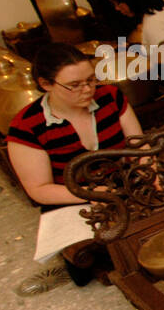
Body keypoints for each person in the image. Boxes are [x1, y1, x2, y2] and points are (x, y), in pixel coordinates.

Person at [7, 43, 143, 208]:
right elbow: (39, 189)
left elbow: (140, 148)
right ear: (46, 84)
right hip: (75, 203)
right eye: (75, 85)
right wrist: (93, 194)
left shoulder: (110, 97)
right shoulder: (26, 126)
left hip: (128, 187)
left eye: (91, 80)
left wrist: (151, 174)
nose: (87, 90)